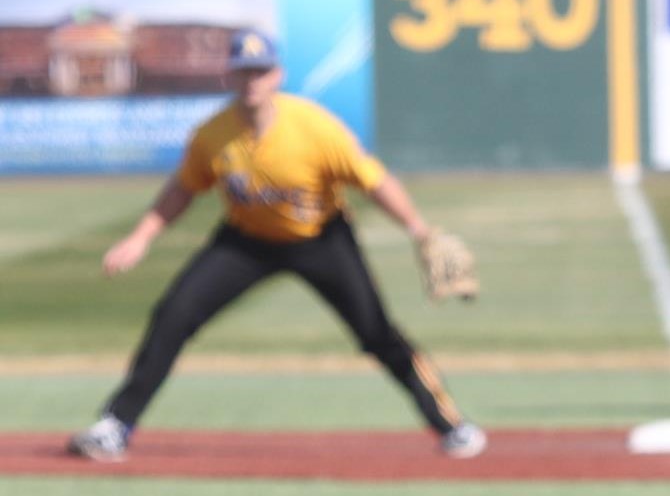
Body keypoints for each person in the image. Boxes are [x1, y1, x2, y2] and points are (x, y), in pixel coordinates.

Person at [69, 29, 483, 463]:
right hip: (245, 243)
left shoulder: (316, 129)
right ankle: (116, 425)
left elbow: (373, 181)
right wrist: (142, 236)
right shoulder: (213, 135)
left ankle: (452, 425)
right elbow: (184, 188)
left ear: (278, 75)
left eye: (261, 72)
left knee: (376, 332)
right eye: (244, 72)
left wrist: (417, 229)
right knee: (174, 314)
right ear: (229, 77)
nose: (253, 81)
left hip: (322, 239)